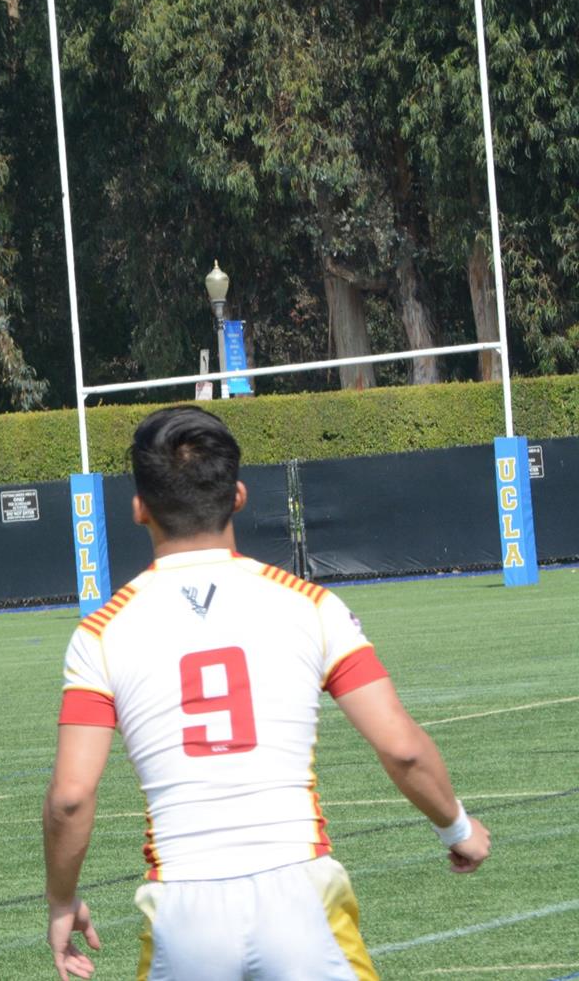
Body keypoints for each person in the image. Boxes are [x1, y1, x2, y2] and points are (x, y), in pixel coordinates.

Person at [41, 406, 493, 981]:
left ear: (138, 508)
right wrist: (457, 829)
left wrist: (62, 900)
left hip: (184, 904)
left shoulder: (101, 631)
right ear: (238, 497)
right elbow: (401, 747)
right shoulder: (308, 604)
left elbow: (71, 798)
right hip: (301, 893)